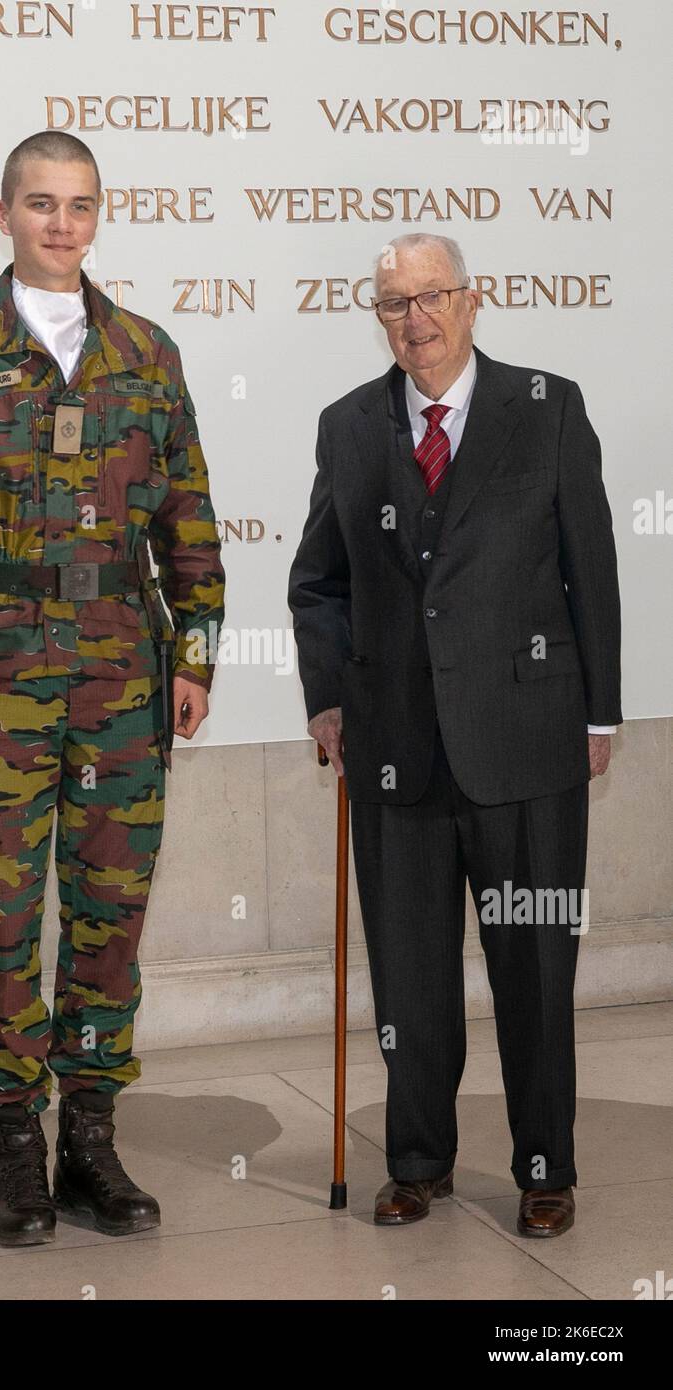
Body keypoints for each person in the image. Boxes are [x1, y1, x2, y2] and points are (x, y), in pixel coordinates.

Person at [0, 130, 225, 1247]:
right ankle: (14, 1146)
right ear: (5, 213)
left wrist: (197, 657)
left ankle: (91, 1142)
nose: (60, 223)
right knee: (5, 917)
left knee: (111, 915)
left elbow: (189, 523)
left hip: (123, 677)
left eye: (77, 205)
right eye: (39, 203)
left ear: (98, 214)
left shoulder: (145, 354)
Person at [287, 232, 620, 1238]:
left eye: (431, 297)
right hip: (394, 750)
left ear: (471, 303)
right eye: (393, 303)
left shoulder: (545, 407)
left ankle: (542, 1167)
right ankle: (417, 1162)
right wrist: (326, 694)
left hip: (526, 746)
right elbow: (318, 581)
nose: (414, 318)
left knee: (533, 967)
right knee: (411, 976)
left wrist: (598, 710)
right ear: (376, 315)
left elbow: (588, 570)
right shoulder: (345, 426)